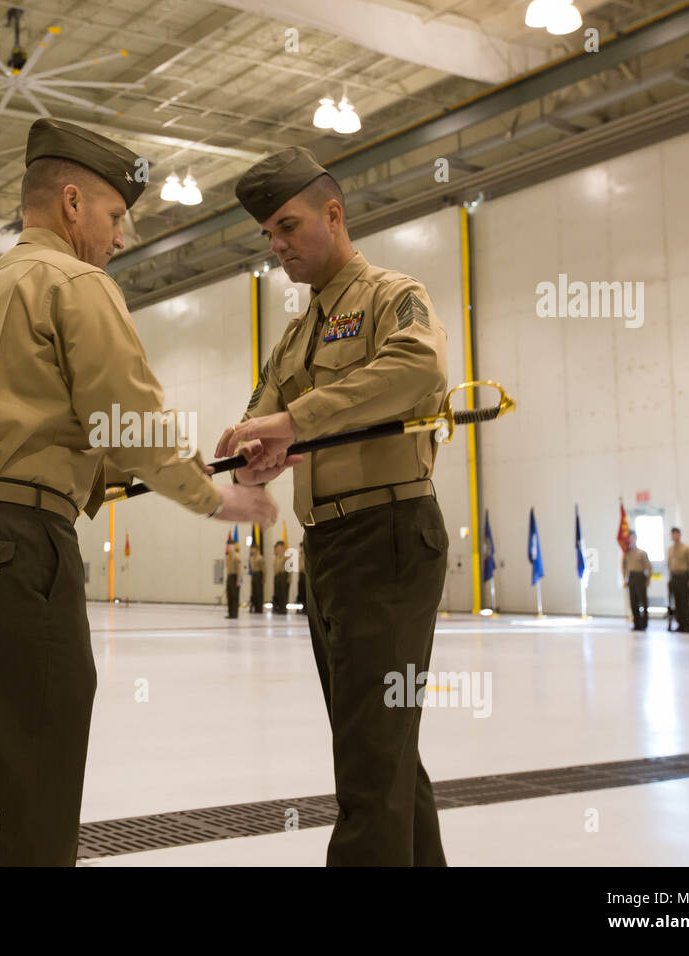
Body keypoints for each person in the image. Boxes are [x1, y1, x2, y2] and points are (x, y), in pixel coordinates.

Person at [0, 117, 279, 866]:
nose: (120, 238)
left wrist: (178, 468)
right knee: (29, 778)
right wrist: (215, 499)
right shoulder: (76, 283)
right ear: (72, 204)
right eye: (113, 217)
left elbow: (43, 428)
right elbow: (126, 414)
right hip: (10, 548)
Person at [217, 145, 450, 866]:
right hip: (331, 554)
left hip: (389, 540)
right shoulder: (294, 337)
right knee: (382, 753)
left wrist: (293, 424)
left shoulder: (390, 295)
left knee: (369, 764)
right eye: (269, 236)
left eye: (288, 226)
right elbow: (262, 417)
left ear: (334, 213)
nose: (279, 245)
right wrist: (249, 455)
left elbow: (419, 368)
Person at [665, 527, 689, 633]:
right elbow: (669, 565)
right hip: (674, 577)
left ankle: (687, 624)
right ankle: (680, 624)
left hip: (684, 577)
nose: (675, 536)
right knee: (676, 602)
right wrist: (669, 578)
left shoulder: (686, 548)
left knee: (684, 602)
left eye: (676, 534)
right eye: (673, 534)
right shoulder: (670, 549)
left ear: (680, 535)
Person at [622, 531, 651, 631]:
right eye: (630, 538)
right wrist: (625, 580)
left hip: (640, 577)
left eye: (633, 537)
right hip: (632, 578)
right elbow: (624, 567)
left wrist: (648, 579)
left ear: (636, 538)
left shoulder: (642, 553)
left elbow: (648, 567)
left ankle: (644, 623)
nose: (631, 540)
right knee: (633, 602)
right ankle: (636, 623)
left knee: (642, 602)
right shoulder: (627, 554)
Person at [271, 540, 289, 614]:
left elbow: (289, 568)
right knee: (278, 593)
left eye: (278, 547)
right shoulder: (277, 557)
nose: (277, 549)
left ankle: (283, 609)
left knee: (283, 593)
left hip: (284, 575)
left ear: (282, 547)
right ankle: (279, 608)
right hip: (278, 576)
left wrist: (289, 577)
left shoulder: (286, 557)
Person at [224, 542, 241, 619]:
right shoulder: (227, 557)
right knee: (230, 596)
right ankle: (230, 613)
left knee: (235, 596)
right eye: (228, 547)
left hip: (235, 577)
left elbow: (239, 570)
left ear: (234, 547)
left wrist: (238, 580)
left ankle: (235, 613)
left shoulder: (236, 557)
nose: (229, 548)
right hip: (230, 577)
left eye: (231, 547)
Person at [248, 543, 265, 612]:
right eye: (251, 549)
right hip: (254, 575)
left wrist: (264, 578)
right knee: (254, 592)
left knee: (259, 592)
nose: (252, 550)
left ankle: (259, 608)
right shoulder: (251, 558)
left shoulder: (260, 557)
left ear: (256, 549)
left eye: (253, 549)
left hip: (259, 575)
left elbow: (264, 569)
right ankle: (255, 607)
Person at [294, 538, 307, 607]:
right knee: (301, 591)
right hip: (301, 574)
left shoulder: (307, 555)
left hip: (305, 574)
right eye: (300, 547)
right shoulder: (300, 556)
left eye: (302, 547)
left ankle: (306, 606)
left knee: (306, 591)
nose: (301, 549)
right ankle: (303, 605)